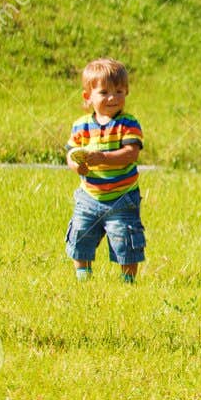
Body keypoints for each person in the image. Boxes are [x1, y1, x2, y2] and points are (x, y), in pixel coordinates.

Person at [64, 58, 146, 283]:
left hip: (122, 197)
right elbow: (71, 153)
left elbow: (131, 153)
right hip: (89, 196)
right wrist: (75, 164)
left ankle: (127, 281)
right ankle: (83, 276)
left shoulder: (128, 123)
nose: (112, 97)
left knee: (125, 238)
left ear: (126, 92)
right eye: (104, 92)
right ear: (87, 97)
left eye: (119, 91)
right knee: (81, 235)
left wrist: (103, 158)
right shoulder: (81, 126)